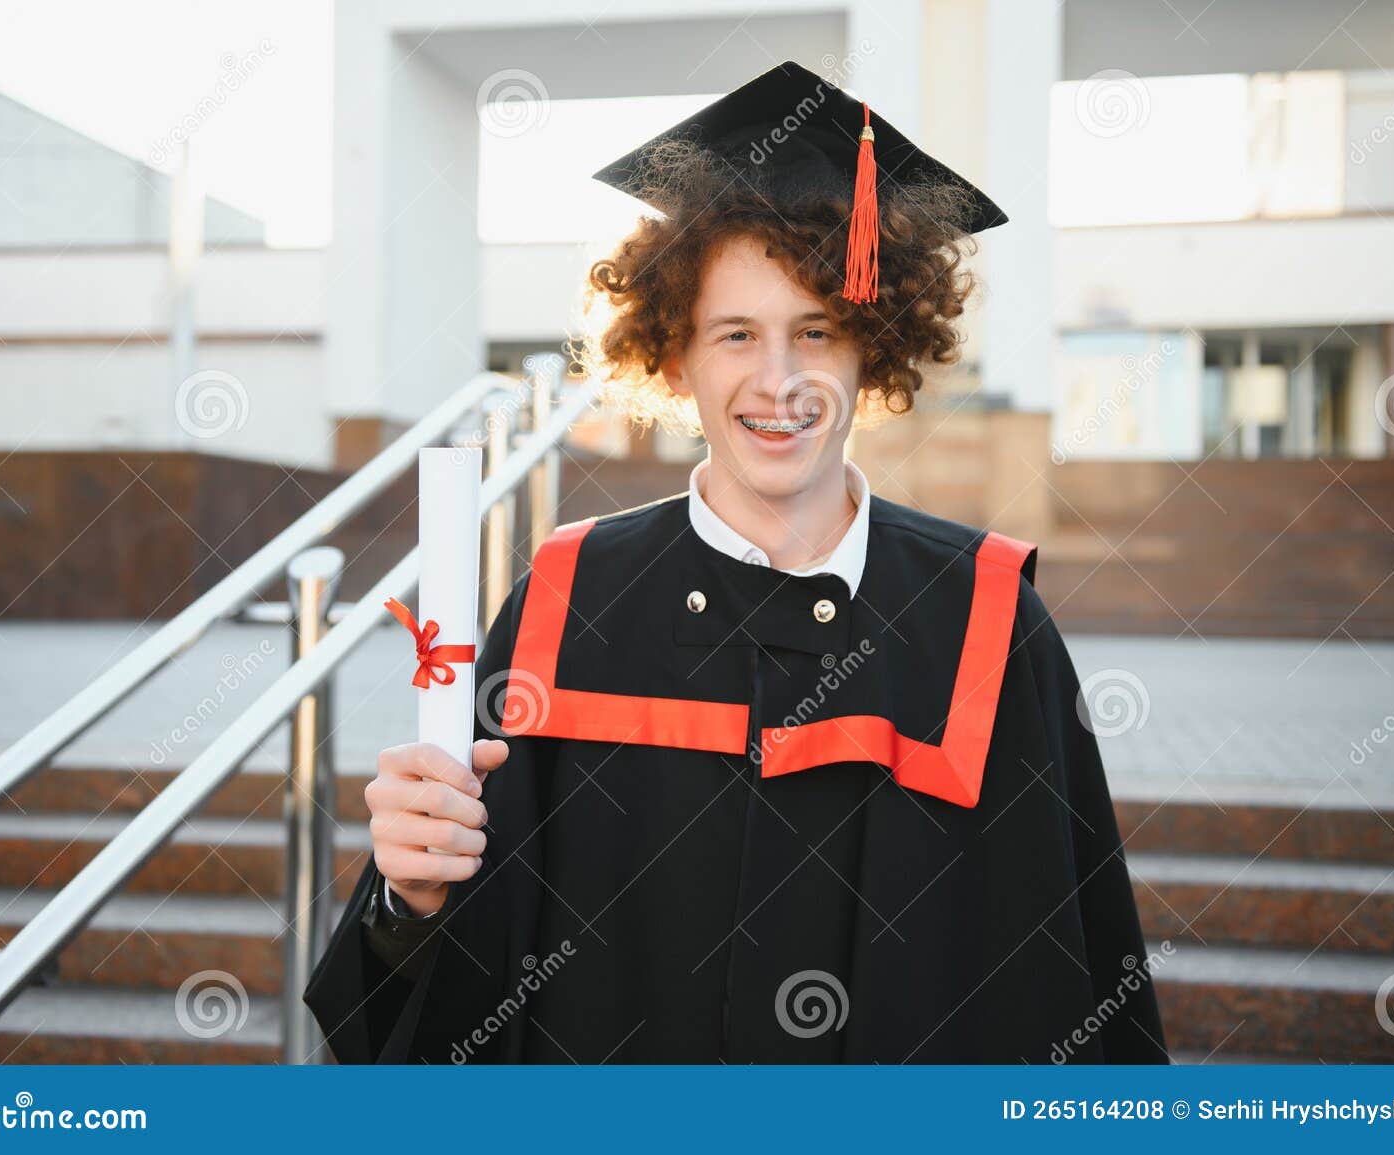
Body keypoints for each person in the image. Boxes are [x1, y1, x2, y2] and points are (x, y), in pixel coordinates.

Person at [304, 60, 1168, 1064]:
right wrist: (407, 895)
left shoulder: (981, 623)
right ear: (674, 355)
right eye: (735, 334)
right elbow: (454, 995)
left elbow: (1071, 987)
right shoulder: (569, 606)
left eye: (818, 331)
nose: (779, 380)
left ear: (872, 349)